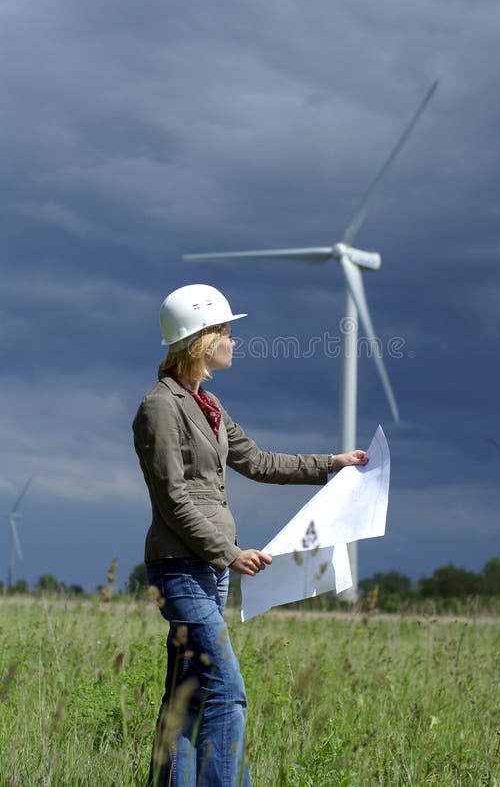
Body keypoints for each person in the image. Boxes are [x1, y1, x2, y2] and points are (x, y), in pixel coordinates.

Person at [133, 284, 368, 787]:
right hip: (181, 571)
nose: (233, 340)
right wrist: (231, 553)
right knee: (227, 692)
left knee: (188, 700)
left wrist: (332, 464)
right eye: (225, 330)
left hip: (210, 572)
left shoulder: (208, 404)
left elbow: (258, 461)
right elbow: (173, 498)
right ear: (200, 338)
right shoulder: (160, 407)